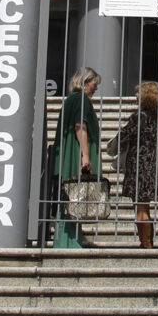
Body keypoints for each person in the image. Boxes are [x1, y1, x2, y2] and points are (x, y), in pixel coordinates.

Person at [106, 80, 158, 249]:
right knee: (145, 206)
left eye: (138, 92)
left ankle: (146, 243)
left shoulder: (139, 117)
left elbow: (125, 134)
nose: (135, 95)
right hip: (152, 166)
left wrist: (116, 145)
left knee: (140, 207)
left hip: (139, 167)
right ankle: (148, 241)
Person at [53, 68, 103, 249]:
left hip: (66, 158)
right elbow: (79, 127)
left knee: (67, 199)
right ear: (84, 82)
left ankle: (66, 241)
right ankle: (69, 243)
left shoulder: (70, 101)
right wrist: (86, 156)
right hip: (74, 157)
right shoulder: (82, 101)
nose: (96, 88)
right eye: (94, 84)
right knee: (74, 199)